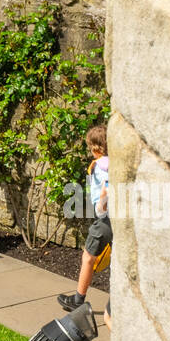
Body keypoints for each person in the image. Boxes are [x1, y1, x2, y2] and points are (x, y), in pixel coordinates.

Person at [58, 123, 111, 312]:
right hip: (119, 218)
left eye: (91, 147)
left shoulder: (101, 165)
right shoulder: (115, 161)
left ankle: (78, 300)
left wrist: (101, 206)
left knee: (88, 256)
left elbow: (106, 187)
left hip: (106, 219)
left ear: (96, 148)